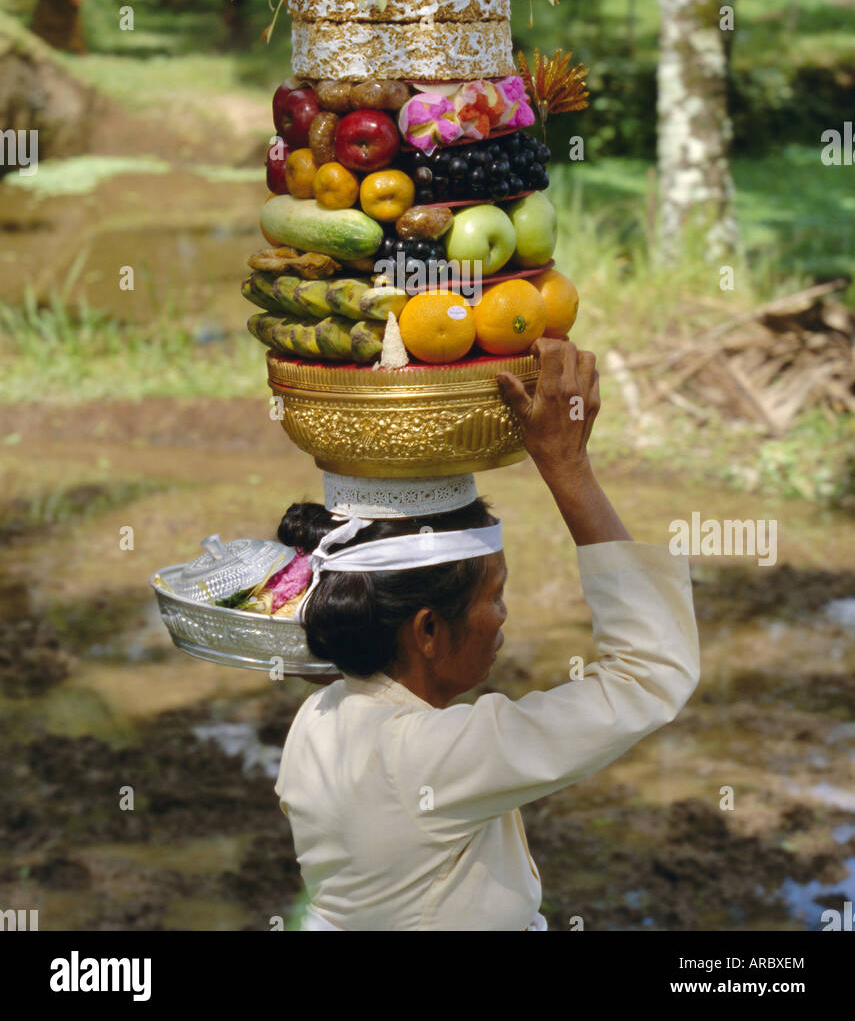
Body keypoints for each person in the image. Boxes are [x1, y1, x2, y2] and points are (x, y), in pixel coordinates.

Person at [274, 339, 700, 931]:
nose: (503, 616)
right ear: (427, 629)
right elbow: (650, 676)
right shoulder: (429, 756)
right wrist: (568, 468)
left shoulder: (322, 716)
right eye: (493, 597)